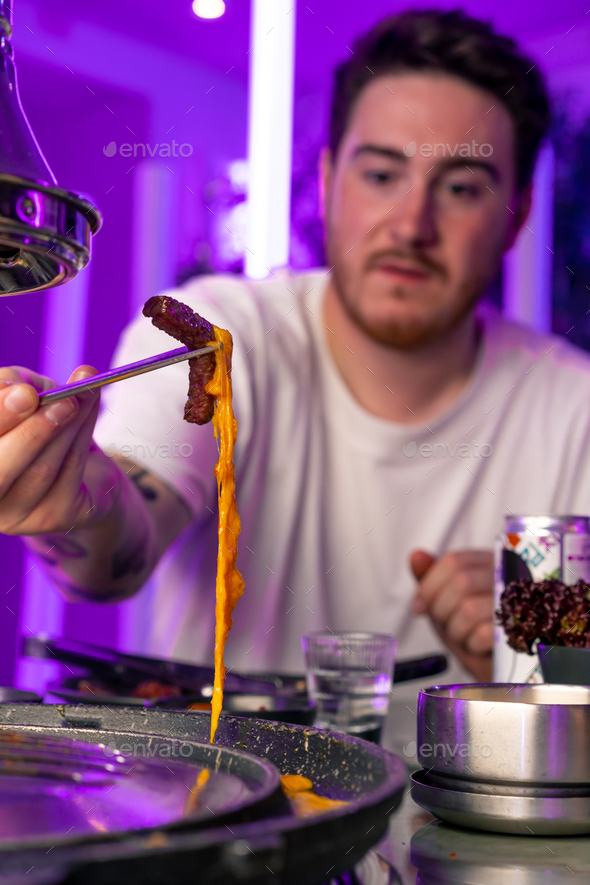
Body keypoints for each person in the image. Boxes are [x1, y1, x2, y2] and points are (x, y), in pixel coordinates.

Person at [0, 10, 583, 753]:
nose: (411, 224)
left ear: (517, 214)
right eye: (380, 174)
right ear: (331, 179)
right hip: (225, 825)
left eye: (462, 186)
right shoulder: (212, 330)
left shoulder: (575, 409)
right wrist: (77, 503)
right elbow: (122, 540)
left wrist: (525, 660)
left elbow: (575, 678)